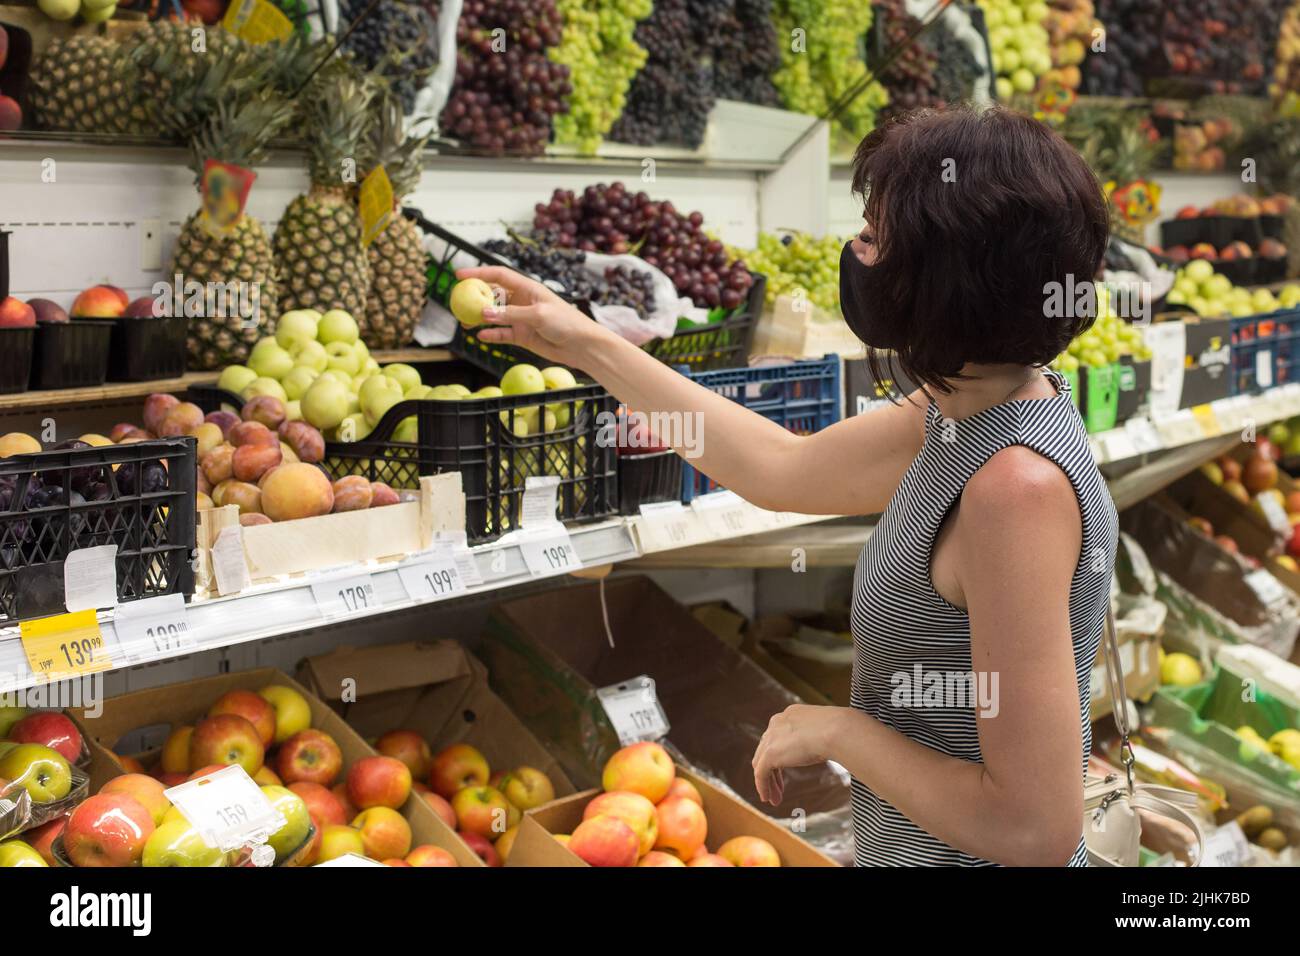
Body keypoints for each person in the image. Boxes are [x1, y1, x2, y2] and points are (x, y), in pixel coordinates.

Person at [457, 105, 1119, 866]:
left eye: (875, 238)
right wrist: (586, 342)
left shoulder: (1015, 489)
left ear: (943, 280)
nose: (856, 253)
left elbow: (1032, 831)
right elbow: (779, 468)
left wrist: (840, 732)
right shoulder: (961, 408)